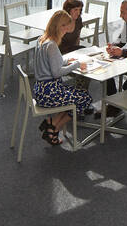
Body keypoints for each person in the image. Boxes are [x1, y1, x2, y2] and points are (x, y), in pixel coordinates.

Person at [32, 9, 94, 146]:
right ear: (60, 26)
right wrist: (77, 64)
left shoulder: (41, 40)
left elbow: (49, 63)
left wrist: (66, 61)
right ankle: (53, 127)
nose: (67, 30)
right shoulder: (52, 45)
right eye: (66, 27)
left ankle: (51, 127)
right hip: (50, 92)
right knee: (84, 98)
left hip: (41, 90)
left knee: (76, 95)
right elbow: (57, 73)